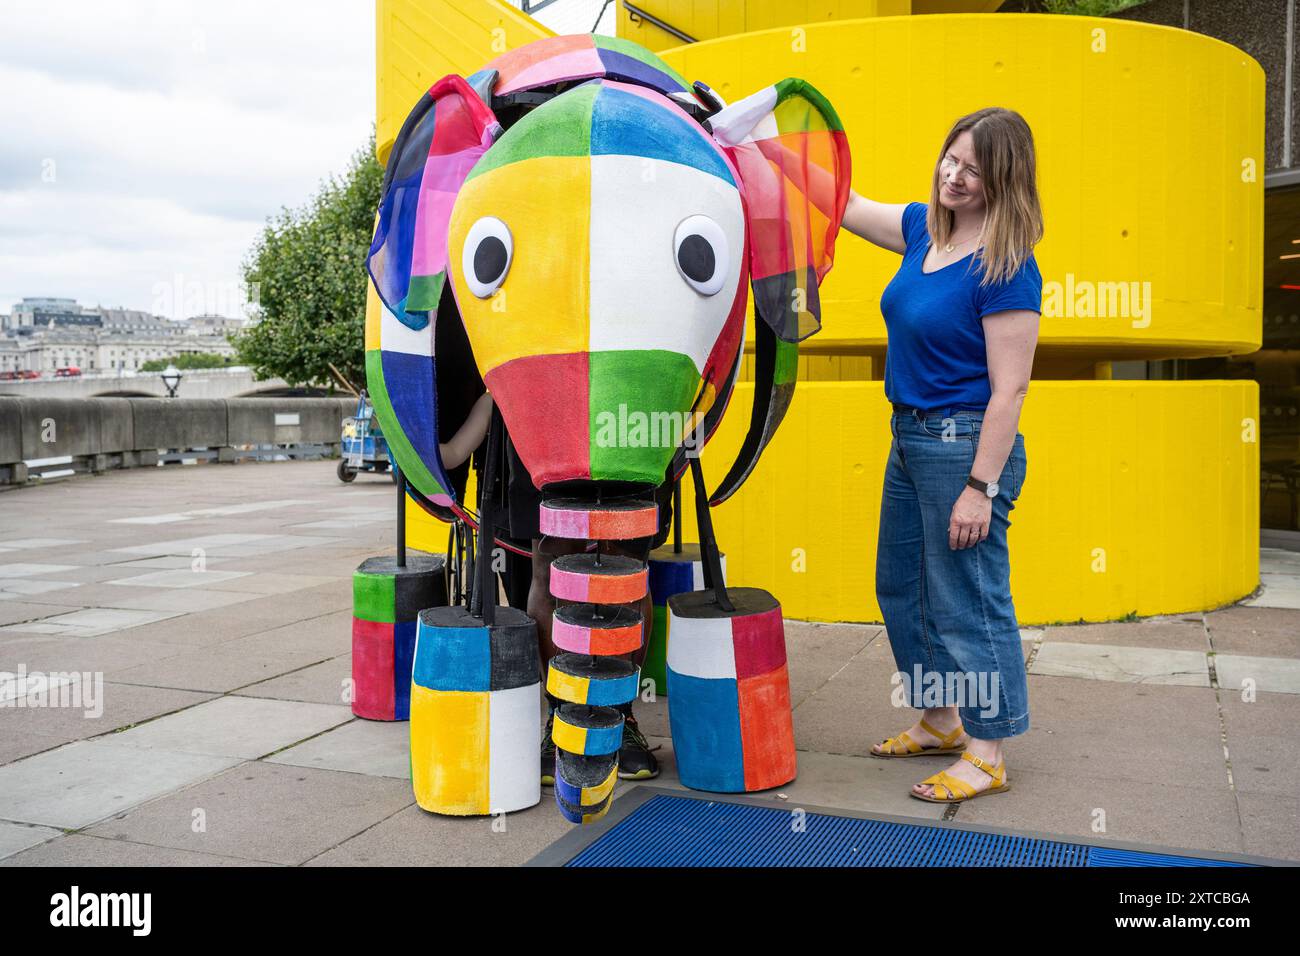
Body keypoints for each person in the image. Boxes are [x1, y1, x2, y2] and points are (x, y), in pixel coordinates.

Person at [839, 107, 1043, 803]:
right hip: (909, 437)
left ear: (1003, 180)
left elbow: (1010, 391)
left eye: (973, 169)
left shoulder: (1007, 266)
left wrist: (979, 488)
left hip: (964, 451)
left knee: (969, 601)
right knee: (903, 588)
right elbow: (844, 202)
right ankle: (941, 719)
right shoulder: (924, 231)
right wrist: (760, 146)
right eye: (950, 159)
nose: (954, 176)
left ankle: (988, 751)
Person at [504, 436, 672, 785]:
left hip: (634, 408)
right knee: (550, 566)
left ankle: (620, 713)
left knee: (628, 566)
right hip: (540, 407)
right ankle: (560, 713)